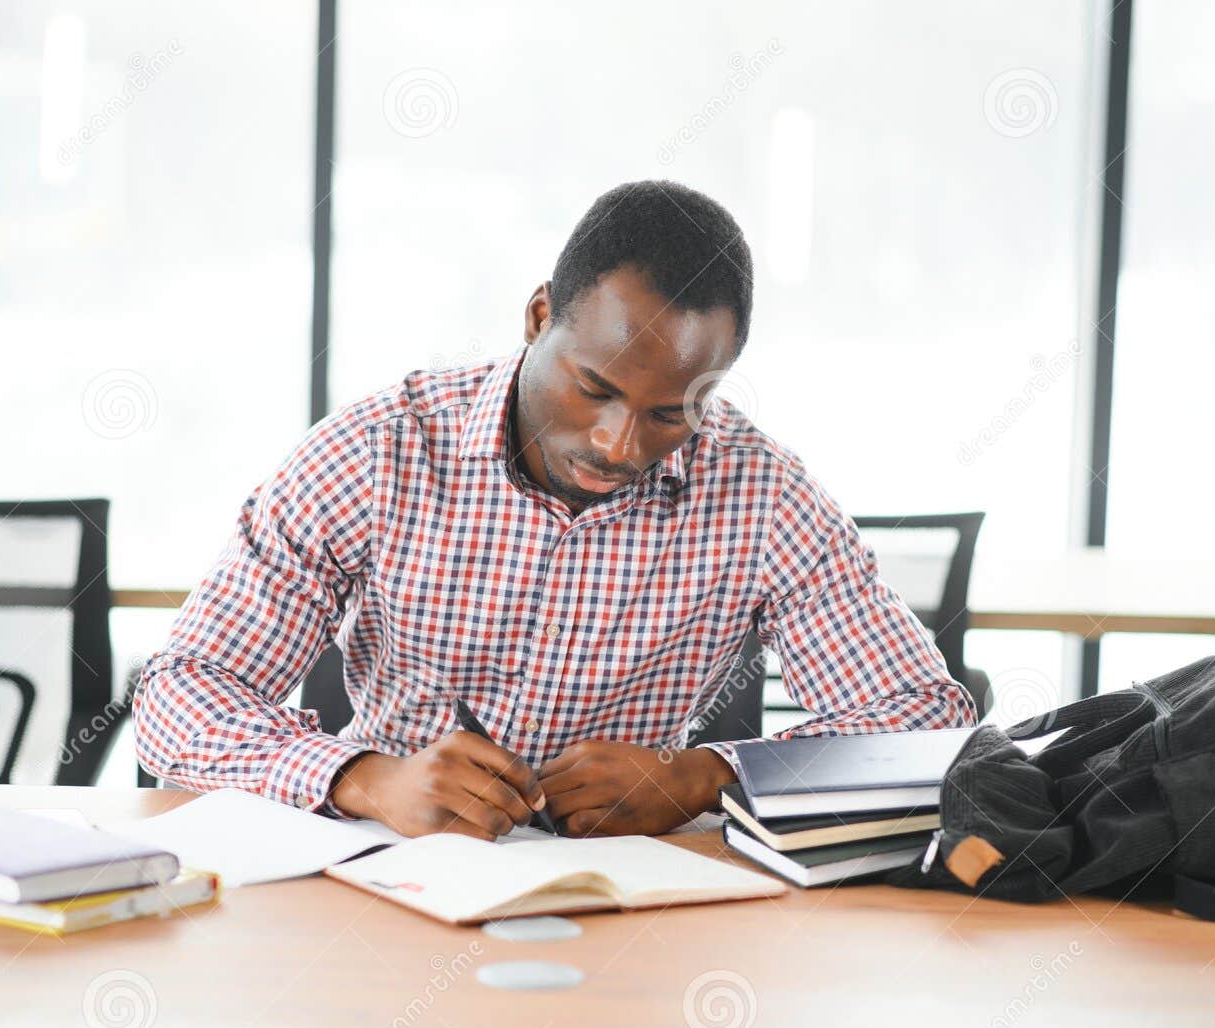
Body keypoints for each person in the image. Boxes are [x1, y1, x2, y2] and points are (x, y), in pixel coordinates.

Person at [133, 179, 975, 839]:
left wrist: (704, 776)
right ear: (539, 317)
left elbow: (926, 723)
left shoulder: (764, 494)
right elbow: (179, 696)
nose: (618, 443)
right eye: (594, 388)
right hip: (391, 871)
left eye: (670, 413)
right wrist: (365, 778)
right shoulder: (379, 450)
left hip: (637, 902)